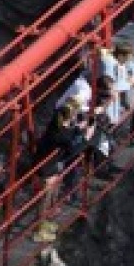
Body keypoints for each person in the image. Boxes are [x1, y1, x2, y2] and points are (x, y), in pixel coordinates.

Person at [33, 99, 94, 242]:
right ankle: (38, 231)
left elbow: (70, 133)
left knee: (51, 193)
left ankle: (44, 223)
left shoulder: (57, 124)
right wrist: (86, 138)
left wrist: (79, 128)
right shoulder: (60, 134)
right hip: (46, 168)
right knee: (45, 198)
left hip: (50, 165)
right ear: (71, 116)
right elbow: (72, 149)